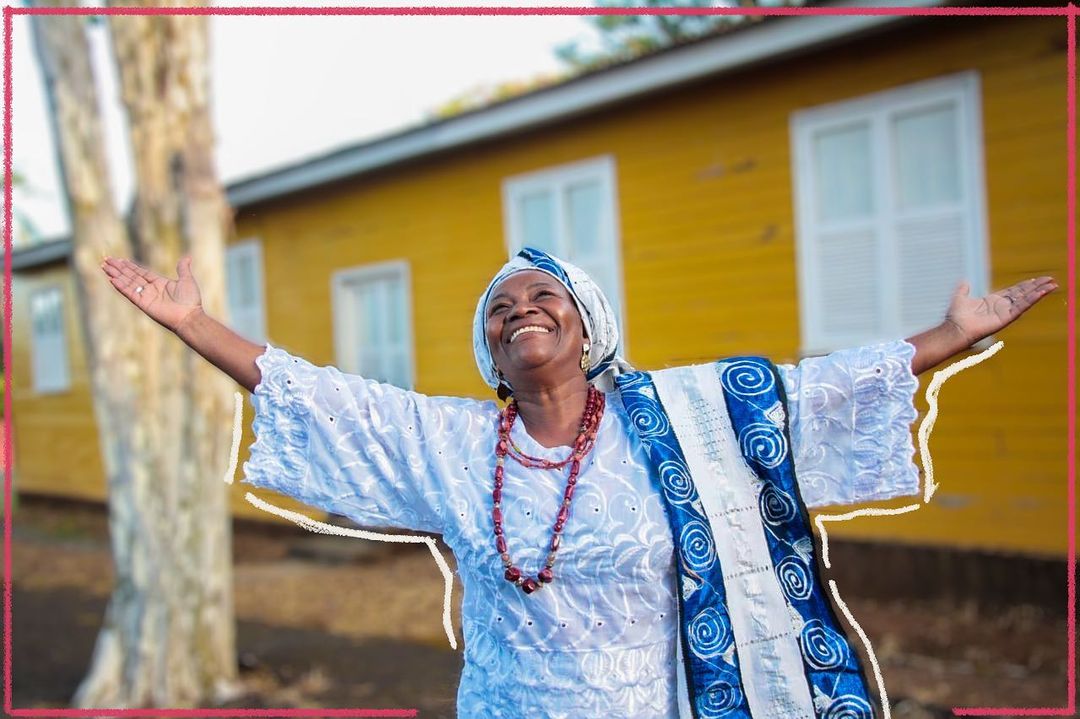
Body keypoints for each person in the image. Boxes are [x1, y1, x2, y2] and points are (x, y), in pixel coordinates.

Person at [100, 249, 1055, 719]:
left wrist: (947, 341)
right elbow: (329, 399)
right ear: (491, 350)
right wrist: (195, 327)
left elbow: (812, 395)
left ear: (586, 323)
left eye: (541, 296)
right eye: (500, 309)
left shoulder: (680, 418)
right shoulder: (455, 441)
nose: (521, 311)